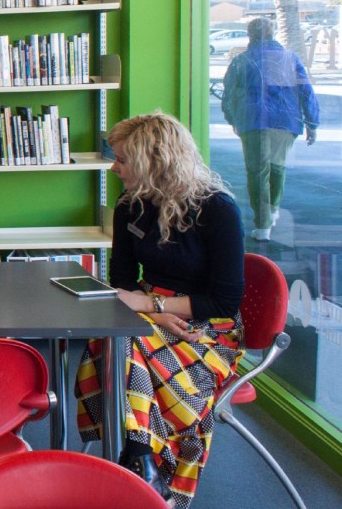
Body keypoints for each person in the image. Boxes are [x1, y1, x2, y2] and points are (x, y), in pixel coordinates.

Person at [75, 112, 244, 508]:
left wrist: (153, 307)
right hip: (149, 311)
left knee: (123, 343)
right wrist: (153, 313)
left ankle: (136, 454)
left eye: (122, 160)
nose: (114, 168)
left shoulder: (218, 211)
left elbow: (223, 302)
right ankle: (143, 461)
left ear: (156, 161)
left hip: (206, 326)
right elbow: (121, 278)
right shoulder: (129, 206)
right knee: (126, 338)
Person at [221, 16, 319, 241]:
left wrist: (232, 119)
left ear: (250, 35)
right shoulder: (290, 58)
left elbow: (228, 94)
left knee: (257, 172)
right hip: (286, 121)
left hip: (253, 121)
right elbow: (306, 92)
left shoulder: (242, 60)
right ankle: (273, 210)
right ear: (273, 33)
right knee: (277, 167)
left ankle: (262, 224)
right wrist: (311, 122)